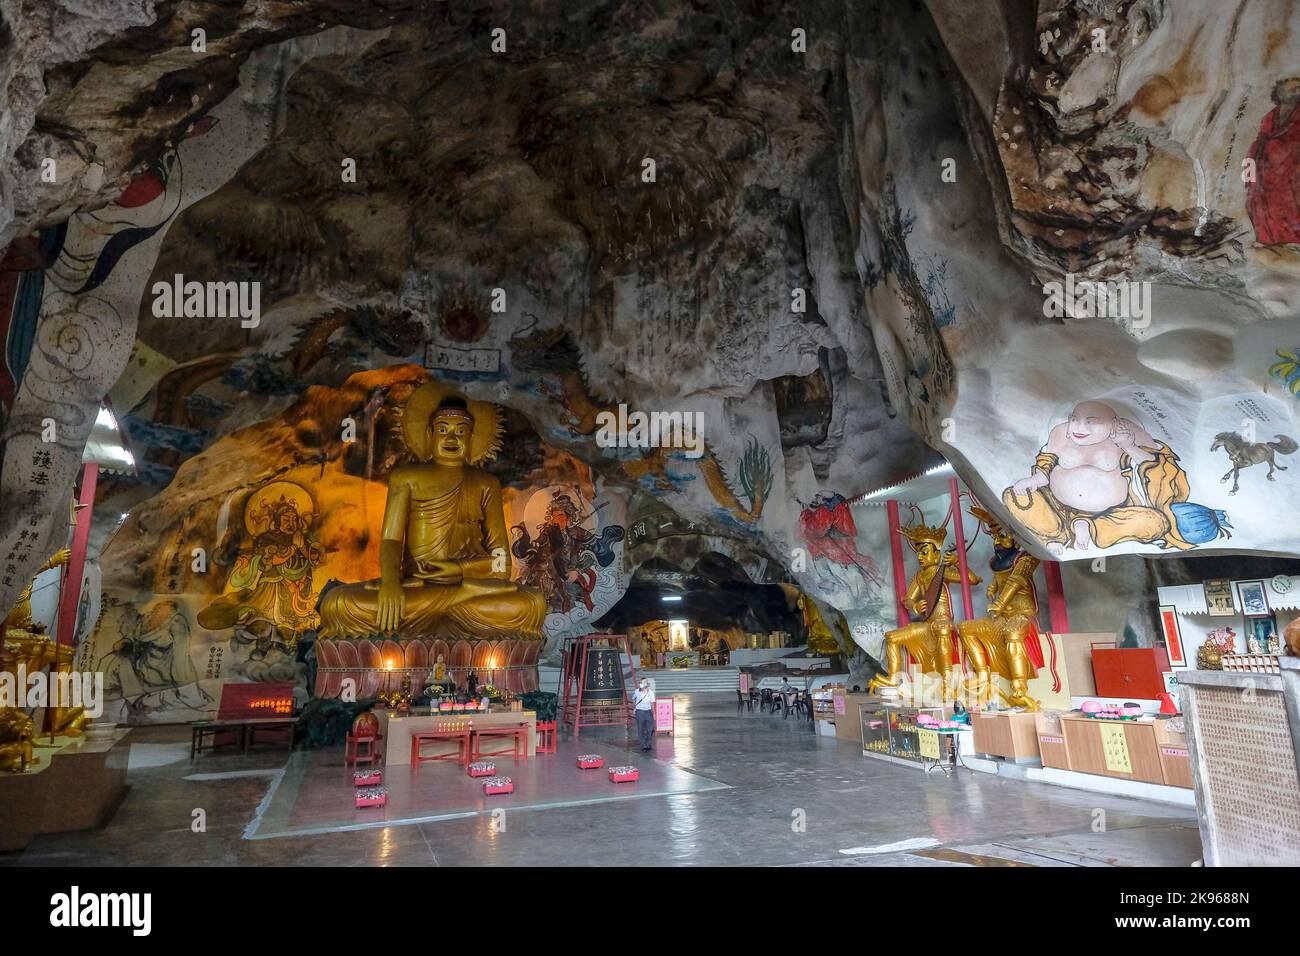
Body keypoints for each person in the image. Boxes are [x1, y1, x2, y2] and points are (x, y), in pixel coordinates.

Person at [633, 678, 655, 751]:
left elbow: (652, 703)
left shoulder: (650, 692)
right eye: (640, 682)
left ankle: (648, 743)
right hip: (640, 712)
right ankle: (644, 745)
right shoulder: (637, 691)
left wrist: (654, 713)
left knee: (650, 729)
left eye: (643, 682)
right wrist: (635, 706)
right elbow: (633, 698)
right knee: (641, 728)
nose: (641, 684)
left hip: (648, 712)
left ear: (646, 684)